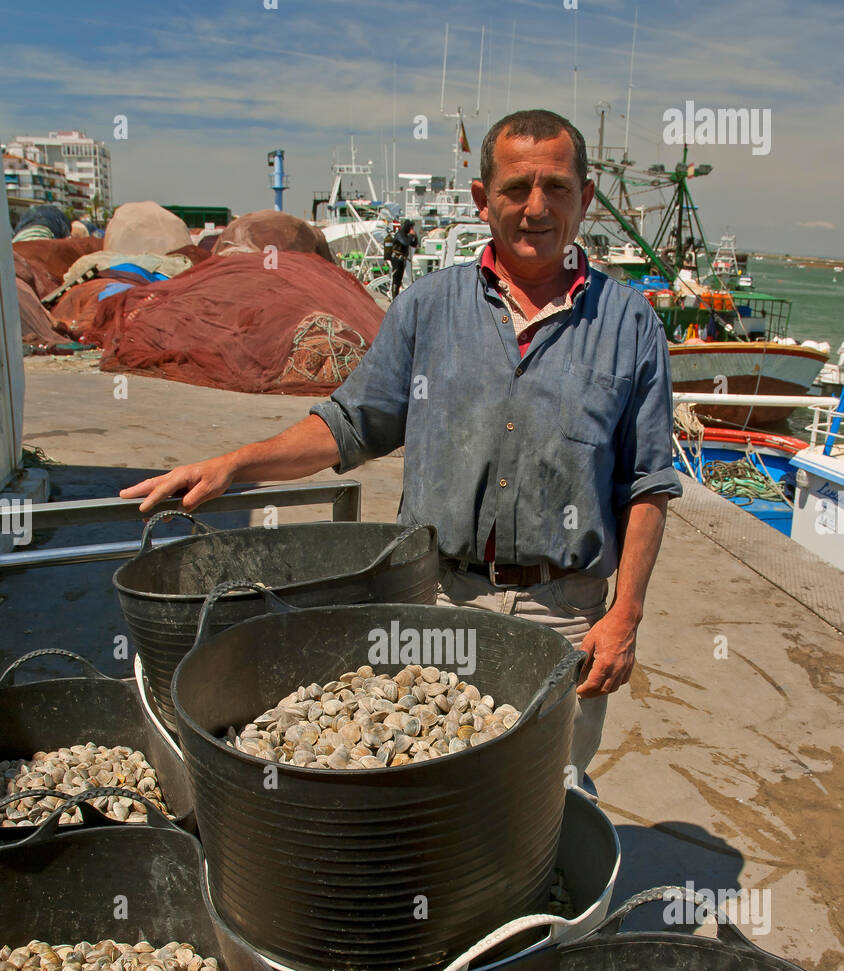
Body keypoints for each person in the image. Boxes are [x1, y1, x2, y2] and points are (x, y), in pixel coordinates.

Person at [120, 109, 681, 792]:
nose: (536, 208)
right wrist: (234, 464)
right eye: (515, 188)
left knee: (543, 795)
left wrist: (625, 615)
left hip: (562, 614)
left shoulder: (630, 325)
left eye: (556, 187)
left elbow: (648, 486)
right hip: (433, 600)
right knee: (424, 786)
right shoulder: (427, 308)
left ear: (585, 197)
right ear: (483, 199)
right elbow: (348, 425)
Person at [389, 218, 418, 298]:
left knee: (399, 279)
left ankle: (396, 296)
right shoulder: (400, 234)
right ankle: (394, 297)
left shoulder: (406, 235)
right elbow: (405, 243)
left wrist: (415, 236)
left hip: (402, 260)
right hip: (397, 259)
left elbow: (413, 244)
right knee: (396, 279)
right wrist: (411, 235)